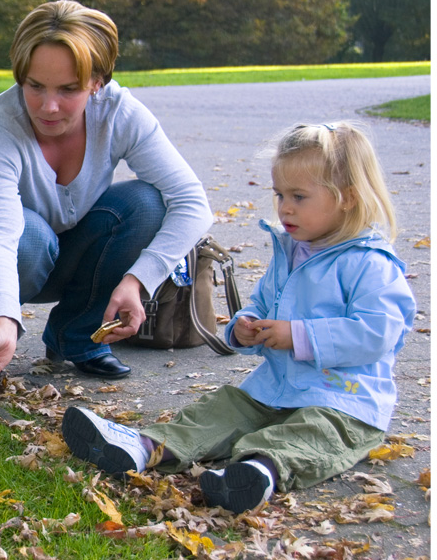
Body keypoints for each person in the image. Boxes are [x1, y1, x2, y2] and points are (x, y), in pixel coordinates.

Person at [62, 121, 417, 513]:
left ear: (347, 198)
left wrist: (299, 335)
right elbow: (262, 306)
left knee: (310, 436)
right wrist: (243, 328)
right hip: (275, 389)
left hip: (344, 402)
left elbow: (378, 333)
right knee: (222, 409)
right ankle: (143, 447)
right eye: (280, 194)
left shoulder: (371, 264)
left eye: (299, 196)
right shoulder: (291, 252)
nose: (284, 208)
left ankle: (256, 473)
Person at [0, 0, 212, 381]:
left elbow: (192, 202)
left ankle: (77, 336)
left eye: (68, 89)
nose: (49, 106)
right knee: (30, 233)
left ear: (97, 82)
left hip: (52, 247)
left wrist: (138, 278)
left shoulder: (119, 112)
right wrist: (4, 321)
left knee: (145, 203)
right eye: (34, 86)